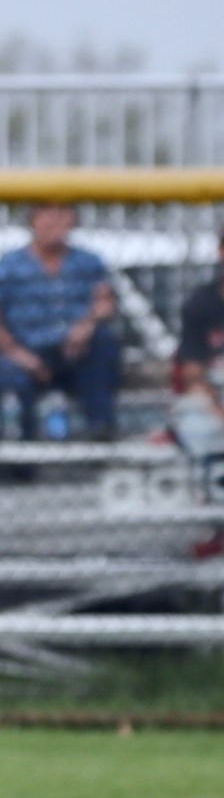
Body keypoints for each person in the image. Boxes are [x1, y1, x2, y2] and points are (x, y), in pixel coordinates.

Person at [0, 203, 121, 440]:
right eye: (46, 215)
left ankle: (101, 429)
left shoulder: (88, 262)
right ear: (32, 220)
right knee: (10, 376)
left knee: (103, 344)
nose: (53, 222)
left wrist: (86, 325)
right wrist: (20, 355)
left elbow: (105, 302)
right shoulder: (10, 265)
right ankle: (23, 444)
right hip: (25, 350)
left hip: (73, 349)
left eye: (61, 214)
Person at [169, 224, 224, 559]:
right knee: (203, 428)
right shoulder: (202, 302)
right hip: (212, 399)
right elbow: (192, 373)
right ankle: (217, 527)